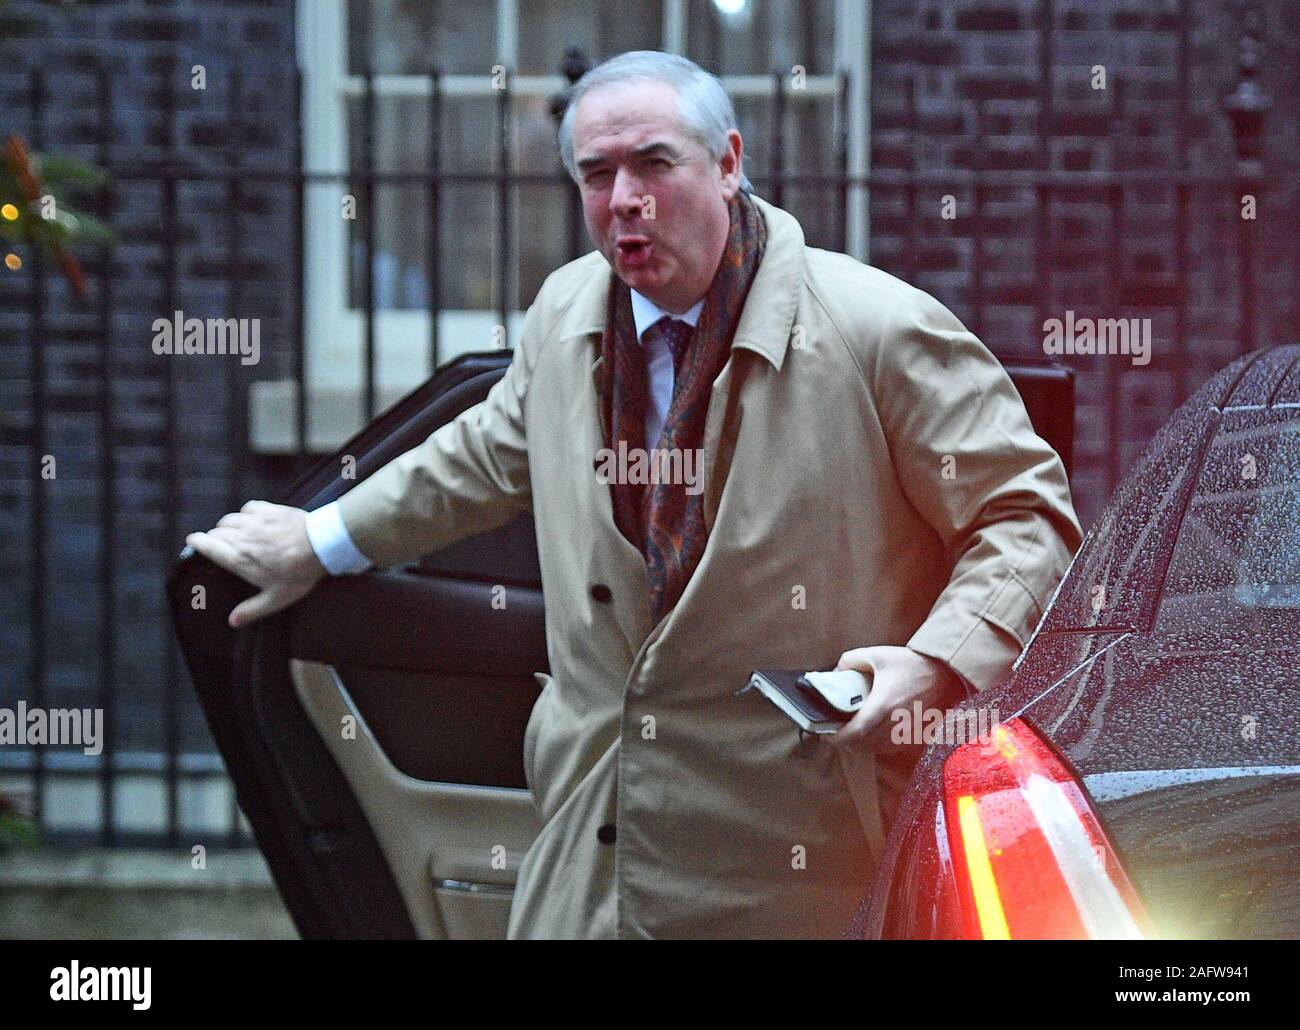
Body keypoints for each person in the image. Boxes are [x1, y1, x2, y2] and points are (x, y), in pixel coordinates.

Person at [187, 50, 1082, 939]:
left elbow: (1025, 516)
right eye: (598, 173)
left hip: (799, 871)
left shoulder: (877, 329)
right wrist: (321, 541)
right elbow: (493, 451)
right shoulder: (567, 310)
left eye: (656, 163)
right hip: (589, 868)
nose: (627, 199)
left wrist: (930, 665)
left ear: (729, 164)